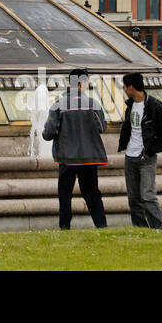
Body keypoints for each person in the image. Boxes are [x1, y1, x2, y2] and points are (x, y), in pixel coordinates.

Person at [42, 68, 109, 230]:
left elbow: (48, 133)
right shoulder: (94, 104)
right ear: (82, 83)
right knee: (92, 194)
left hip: (67, 158)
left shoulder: (58, 104)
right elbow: (102, 128)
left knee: (65, 196)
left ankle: (65, 228)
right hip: (89, 158)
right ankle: (101, 226)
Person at [117, 72, 162, 230]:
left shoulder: (155, 105)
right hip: (130, 158)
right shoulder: (130, 105)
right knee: (133, 199)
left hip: (146, 158)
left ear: (131, 87)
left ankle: (161, 230)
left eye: (125, 87)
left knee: (148, 196)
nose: (124, 89)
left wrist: (150, 151)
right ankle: (141, 230)